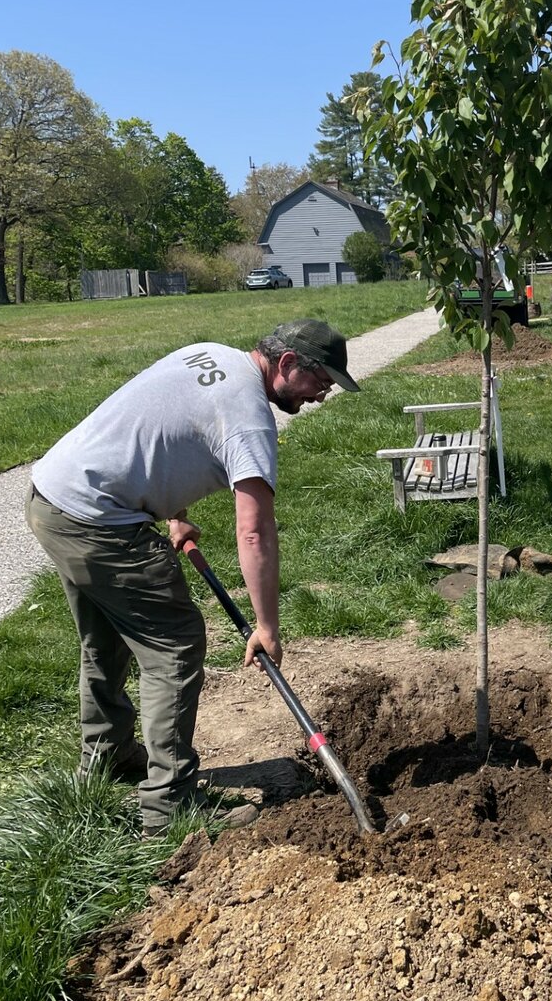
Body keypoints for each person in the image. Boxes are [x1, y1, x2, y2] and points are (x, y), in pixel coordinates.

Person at [26, 319, 358, 834]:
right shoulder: (249, 419)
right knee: (175, 644)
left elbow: (162, 427)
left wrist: (173, 511)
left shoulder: (211, 353)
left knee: (106, 637)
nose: (322, 394)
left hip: (55, 497)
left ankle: (108, 758)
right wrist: (267, 627)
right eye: (321, 381)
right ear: (288, 363)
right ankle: (169, 805)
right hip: (99, 521)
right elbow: (254, 531)